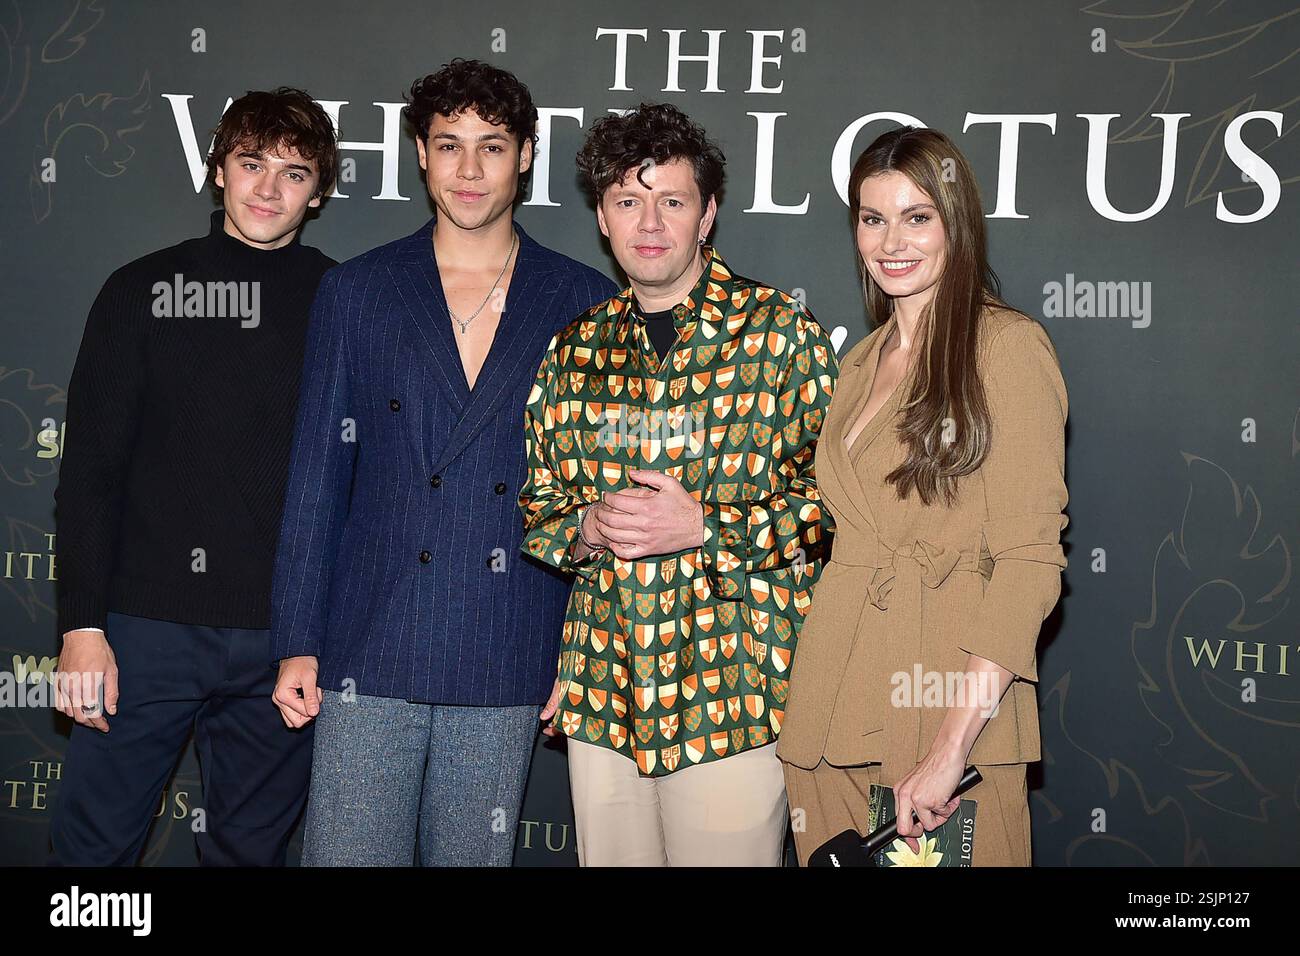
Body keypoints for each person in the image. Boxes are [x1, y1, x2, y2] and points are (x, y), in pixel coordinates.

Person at [270, 59, 618, 866]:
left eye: (491, 147)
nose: (469, 170)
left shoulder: (580, 301)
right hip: (368, 641)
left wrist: (586, 649)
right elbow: (317, 478)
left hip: (508, 637)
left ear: (525, 155)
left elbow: (600, 495)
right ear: (419, 155)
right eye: (448, 145)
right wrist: (297, 639)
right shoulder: (358, 291)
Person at [519, 102, 839, 866]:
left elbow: (838, 507)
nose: (650, 221)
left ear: (708, 214)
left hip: (736, 693)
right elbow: (538, 509)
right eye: (629, 200)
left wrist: (707, 529)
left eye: (673, 200)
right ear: (603, 216)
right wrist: (588, 528)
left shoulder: (780, 334)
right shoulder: (575, 350)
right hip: (607, 694)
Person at [49, 87, 339, 865]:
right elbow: (89, 475)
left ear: (320, 191)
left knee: (250, 855)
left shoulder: (344, 301)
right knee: (91, 855)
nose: (269, 189)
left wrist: (311, 638)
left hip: (283, 643)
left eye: (295, 172)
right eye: (252, 163)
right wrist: (82, 628)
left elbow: (354, 484)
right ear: (218, 170)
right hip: (143, 633)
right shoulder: (141, 289)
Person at [776, 126, 1069, 867]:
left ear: (955, 223)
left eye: (917, 216)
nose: (890, 240)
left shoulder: (1004, 348)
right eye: (873, 218)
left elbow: (1030, 563)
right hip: (830, 706)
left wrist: (949, 745)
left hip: (939, 702)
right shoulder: (859, 360)